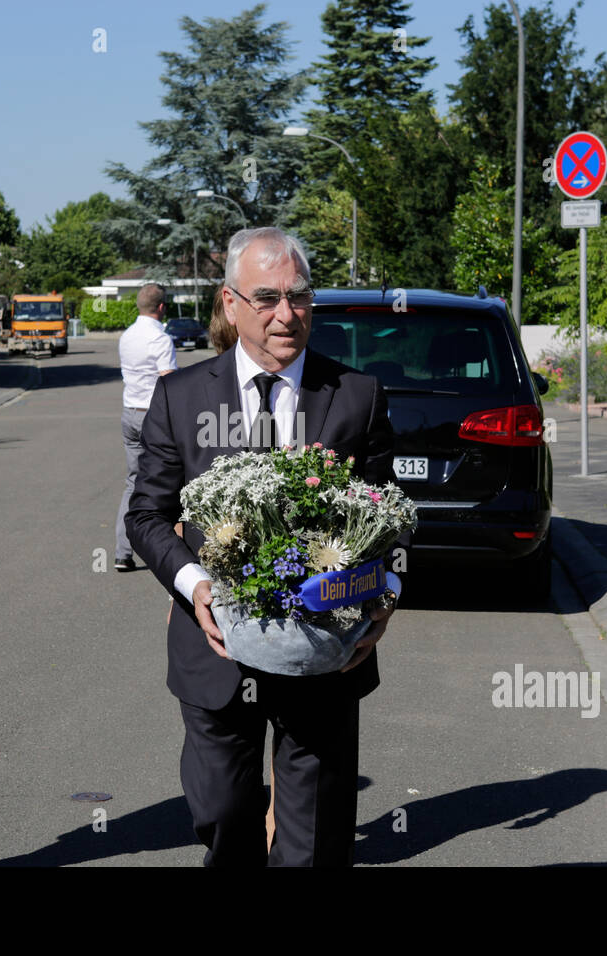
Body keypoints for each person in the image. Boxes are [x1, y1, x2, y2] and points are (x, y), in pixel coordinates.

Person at [126, 227, 401, 866]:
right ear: (230, 304)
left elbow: (390, 521)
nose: (287, 314)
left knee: (312, 844)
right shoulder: (181, 397)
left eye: (300, 297)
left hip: (328, 651)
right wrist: (194, 586)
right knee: (223, 814)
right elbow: (147, 515)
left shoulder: (356, 397)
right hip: (215, 649)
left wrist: (385, 593)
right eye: (268, 298)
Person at [115, 283, 177, 572]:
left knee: (132, 481)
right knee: (166, 482)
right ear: (162, 307)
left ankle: (122, 552)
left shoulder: (127, 336)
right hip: (153, 416)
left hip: (129, 412)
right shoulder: (160, 339)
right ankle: (164, 549)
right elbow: (169, 382)